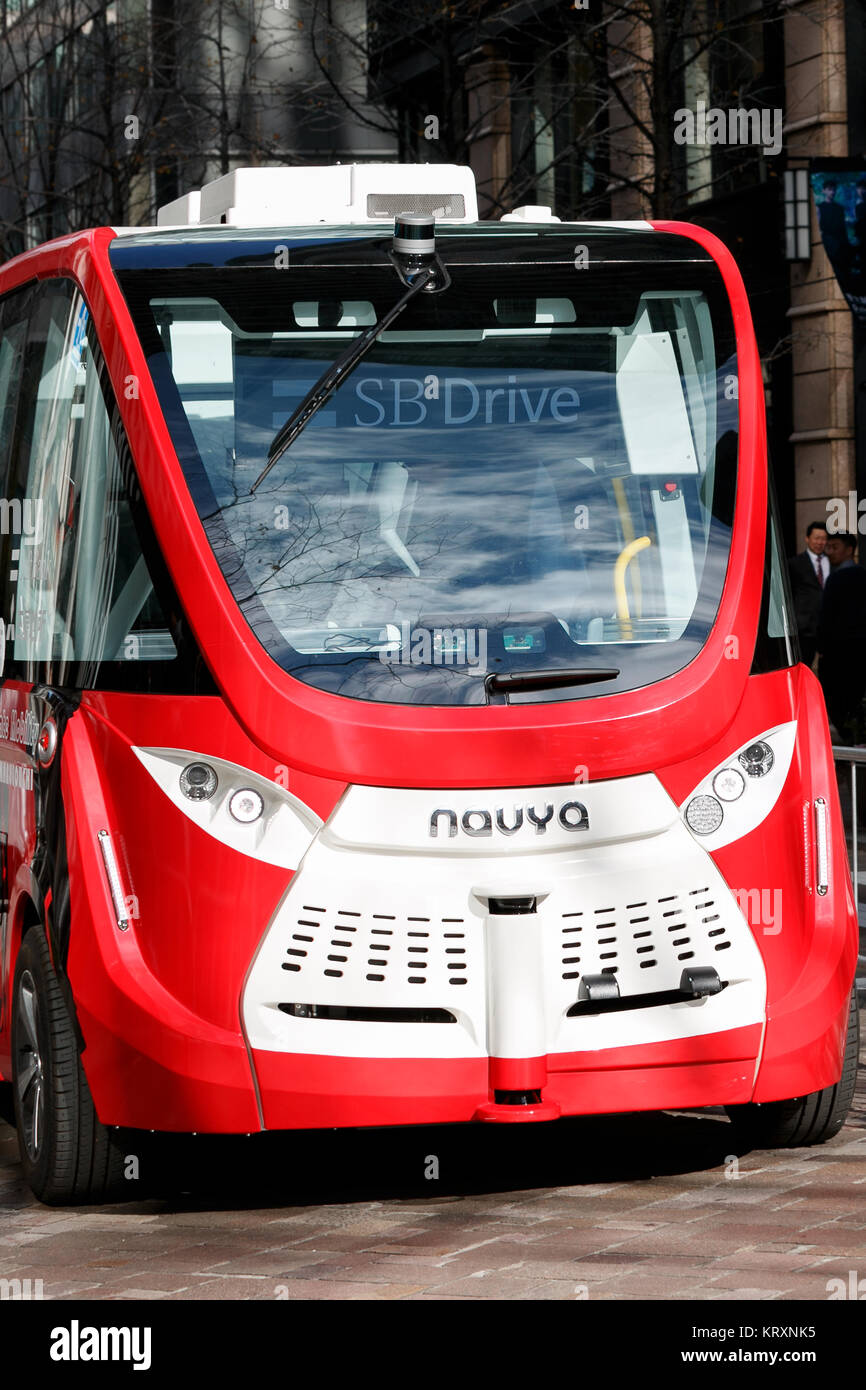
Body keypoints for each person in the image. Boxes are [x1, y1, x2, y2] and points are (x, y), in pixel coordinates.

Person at [816, 532, 866, 740]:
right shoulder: (862, 574)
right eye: (829, 547)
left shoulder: (837, 578)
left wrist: (822, 646)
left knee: (839, 699)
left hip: (839, 651)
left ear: (849, 550)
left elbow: (826, 615)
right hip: (858, 649)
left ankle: (851, 739)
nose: (830, 552)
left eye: (835, 547)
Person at [789, 521, 829, 667]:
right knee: (804, 665)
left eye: (823, 539)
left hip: (828, 627)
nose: (820, 542)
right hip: (805, 628)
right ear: (807, 538)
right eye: (816, 538)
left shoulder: (832, 561)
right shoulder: (795, 564)